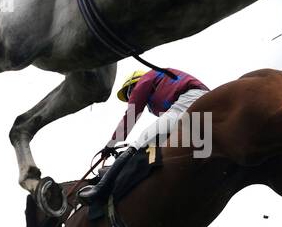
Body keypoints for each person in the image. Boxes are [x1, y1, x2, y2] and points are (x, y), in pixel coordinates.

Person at [79, 68, 210, 203]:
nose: (130, 98)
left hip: (190, 100)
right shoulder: (161, 87)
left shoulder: (144, 81)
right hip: (205, 105)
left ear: (133, 85)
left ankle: (100, 189)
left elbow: (130, 118)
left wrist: (110, 144)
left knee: (140, 142)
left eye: (128, 94)